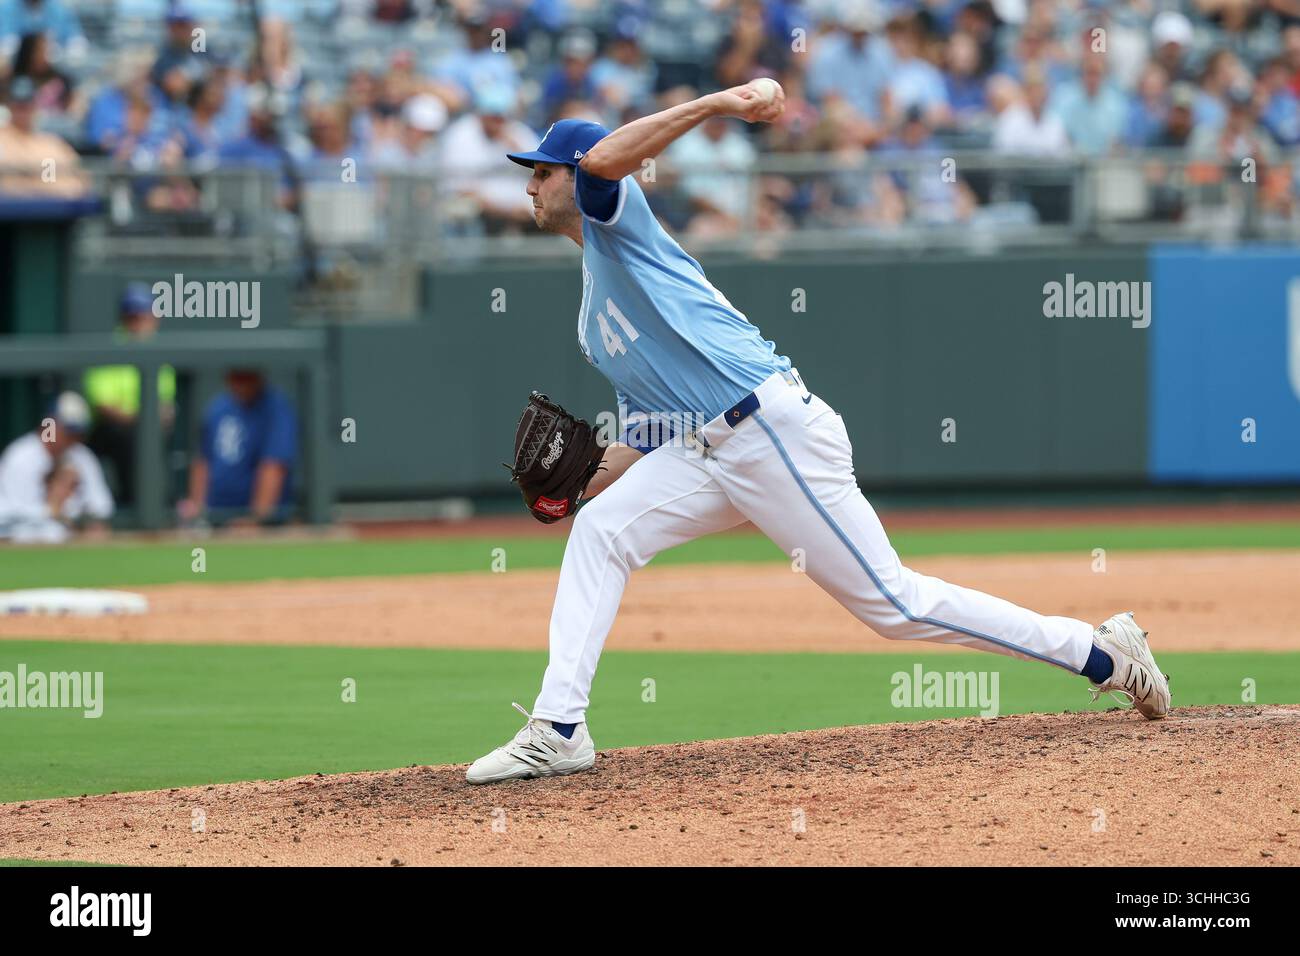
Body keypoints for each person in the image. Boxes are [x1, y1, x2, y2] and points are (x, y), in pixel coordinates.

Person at [464, 90, 1170, 785]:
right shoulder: (593, 320)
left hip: (771, 432)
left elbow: (606, 163)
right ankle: (559, 729)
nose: (531, 184)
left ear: (577, 170)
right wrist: (579, 485)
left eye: (542, 170)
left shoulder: (621, 223)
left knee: (896, 607)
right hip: (707, 451)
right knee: (601, 531)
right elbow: (650, 432)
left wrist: (721, 103)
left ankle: (1101, 653)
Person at [82, 283, 177, 506]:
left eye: (143, 315)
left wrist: (155, 420)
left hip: (147, 429)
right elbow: (105, 406)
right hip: (108, 432)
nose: (138, 323)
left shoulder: (160, 355)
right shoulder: (109, 349)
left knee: (154, 437)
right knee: (127, 437)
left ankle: (167, 504)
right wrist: (142, 421)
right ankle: (133, 504)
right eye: (133, 316)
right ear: (123, 318)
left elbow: (166, 405)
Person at [178, 369, 297, 528]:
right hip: (214, 516)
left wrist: (256, 519)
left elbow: (274, 466)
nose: (239, 383)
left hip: (258, 522)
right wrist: (197, 511)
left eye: (244, 377)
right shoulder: (218, 407)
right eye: (235, 377)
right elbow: (202, 462)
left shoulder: (276, 408)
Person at [0, 392, 113, 543]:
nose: (74, 438)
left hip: (71, 535)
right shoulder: (21, 456)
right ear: (49, 424)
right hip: (22, 537)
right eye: (69, 431)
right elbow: (17, 512)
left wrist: (85, 521)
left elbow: (102, 505)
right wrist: (53, 510)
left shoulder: (82, 456)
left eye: (78, 433)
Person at [0, 75, 85, 196]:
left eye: (27, 104)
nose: (23, 110)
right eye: (18, 105)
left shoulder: (51, 144)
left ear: (35, 105)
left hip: (52, 210)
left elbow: (78, 183)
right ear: (9, 106)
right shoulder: (2, 139)